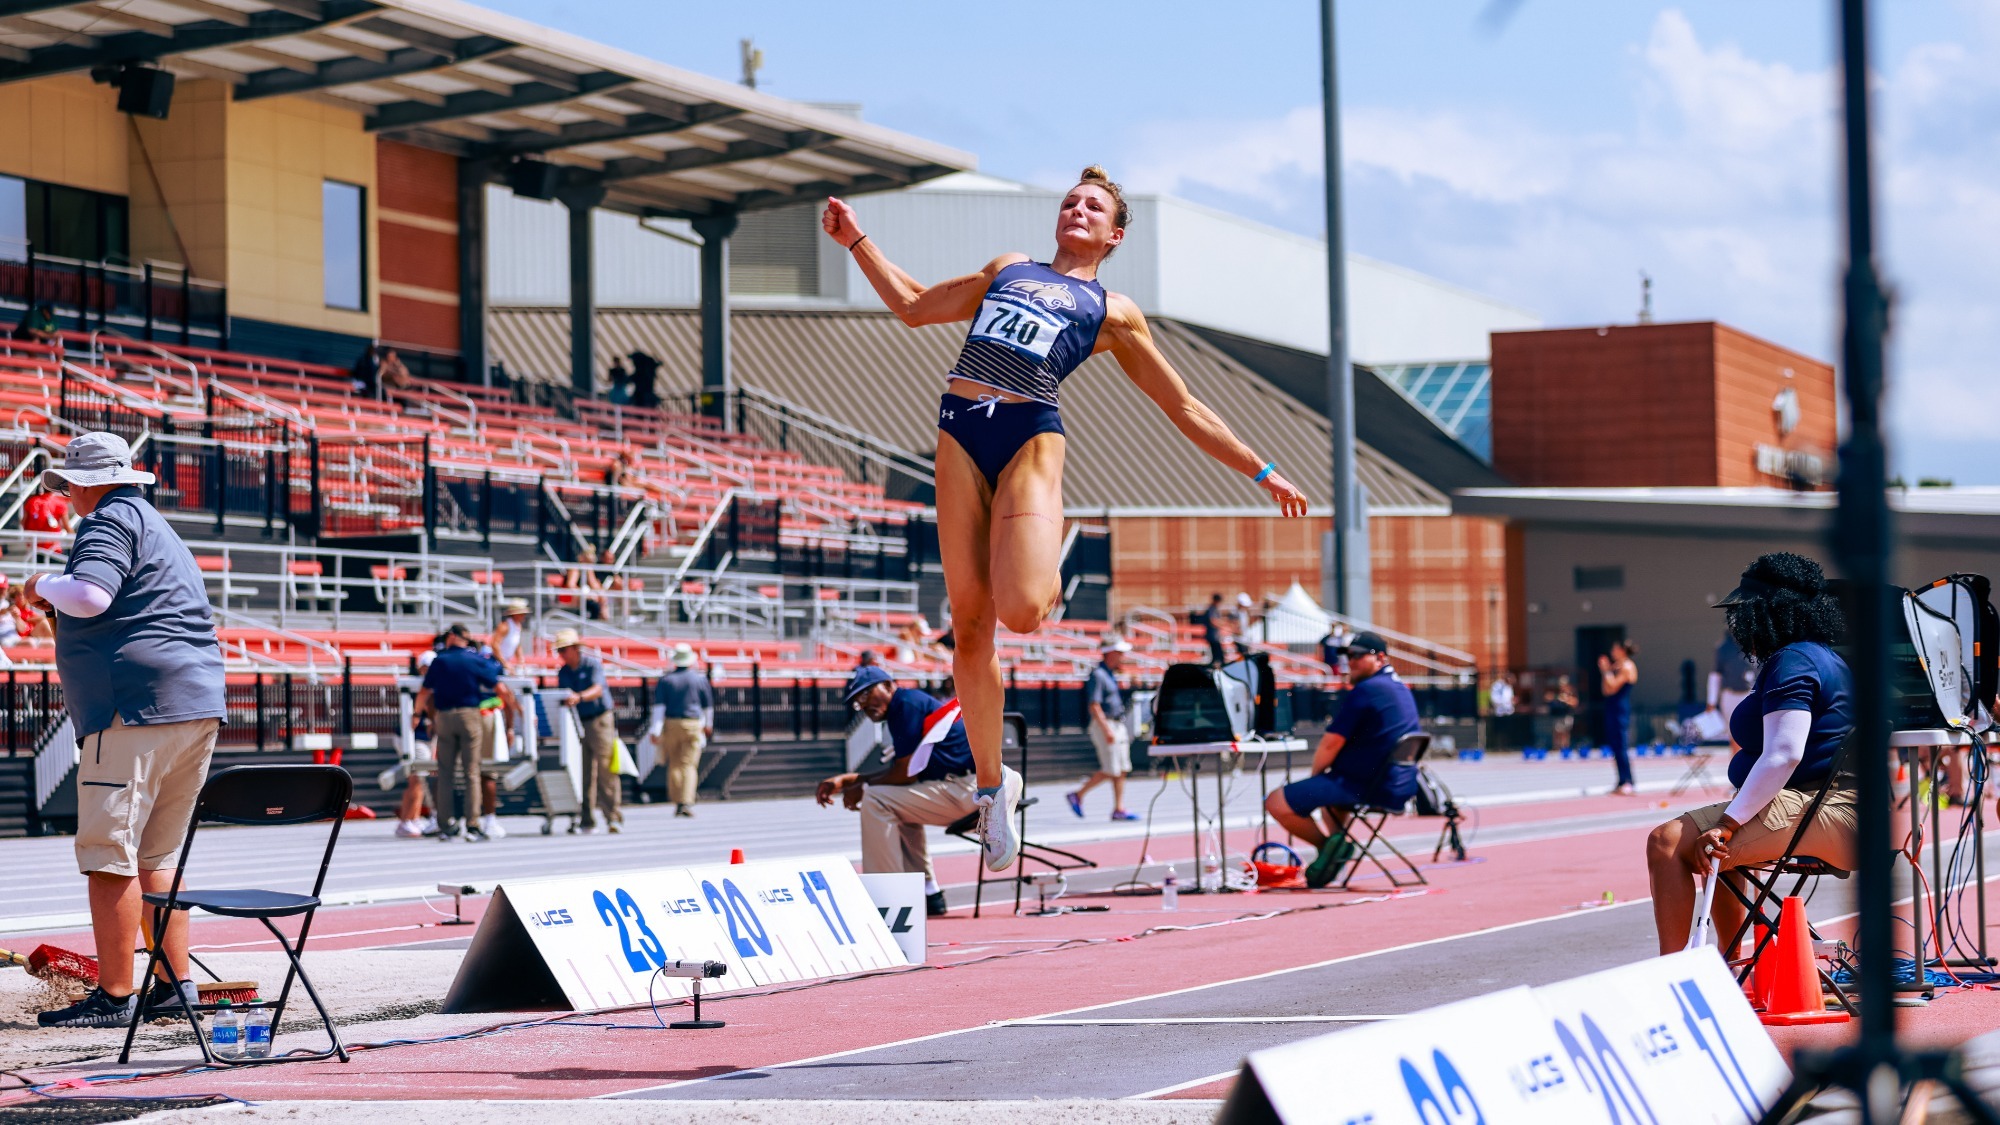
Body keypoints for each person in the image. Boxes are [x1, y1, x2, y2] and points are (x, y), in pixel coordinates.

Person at [823, 168, 1308, 872]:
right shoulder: (1008, 268)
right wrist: (856, 240)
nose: (1077, 209)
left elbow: (1183, 406)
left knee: (1020, 611)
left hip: (1029, 434)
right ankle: (992, 789)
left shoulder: (1113, 309)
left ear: (1113, 235)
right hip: (959, 432)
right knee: (968, 629)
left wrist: (1261, 470)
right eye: (1070, 201)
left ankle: (1045, 570)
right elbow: (913, 306)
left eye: (1094, 206)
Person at [25, 433, 226, 1028]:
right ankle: (173, 984)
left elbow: (89, 594)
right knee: (156, 854)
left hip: (132, 708)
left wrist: (38, 585)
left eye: (68, 488)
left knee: (109, 854)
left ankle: (115, 996)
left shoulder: (108, 519)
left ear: (83, 483)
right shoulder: (156, 524)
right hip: (193, 705)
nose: (67, 498)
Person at [1647, 552, 1855, 956]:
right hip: (1835, 806)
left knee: (1666, 842)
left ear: (1768, 613)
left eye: (1743, 613)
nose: (1737, 624)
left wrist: (1728, 822)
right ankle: (1729, 966)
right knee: (1721, 851)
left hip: (1830, 807)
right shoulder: (1823, 655)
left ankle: (1670, 977)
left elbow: (1784, 754)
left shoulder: (1792, 661)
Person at [1262, 631, 1420, 889]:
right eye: (1347, 655)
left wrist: (1316, 777)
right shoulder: (1399, 688)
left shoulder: (1367, 690)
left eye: (1358, 656)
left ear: (1380, 658)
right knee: (1330, 801)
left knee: (1276, 802)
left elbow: (1330, 743)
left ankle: (1332, 849)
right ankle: (1335, 847)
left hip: (1366, 786)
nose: (1351, 661)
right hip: (1399, 786)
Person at [816, 665, 975, 918]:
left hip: (968, 790)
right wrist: (851, 781)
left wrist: (862, 786)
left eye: (866, 694)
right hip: (967, 789)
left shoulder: (905, 705)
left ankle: (888, 900)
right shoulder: (907, 704)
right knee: (893, 801)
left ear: (889, 686)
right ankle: (928, 892)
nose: (863, 704)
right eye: (858, 700)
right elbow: (904, 774)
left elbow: (905, 774)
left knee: (877, 800)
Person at [415, 623, 503, 841]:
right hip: (469, 715)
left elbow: (425, 691)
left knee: (445, 772)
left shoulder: (440, 659)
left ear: (452, 637)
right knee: (472, 772)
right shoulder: (474, 659)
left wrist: (417, 714)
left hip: (444, 716)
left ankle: (445, 825)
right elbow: (496, 681)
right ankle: (472, 824)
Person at [555, 628, 621, 834]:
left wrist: (580, 697)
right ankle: (587, 818)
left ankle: (612, 816)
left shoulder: (592, 664)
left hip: (599, 719)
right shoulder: (563, 672)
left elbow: (598, 688)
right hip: (578, 721)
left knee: (605, 769)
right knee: (583, 771)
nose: (562, 655)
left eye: (564, 650)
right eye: (560, 651)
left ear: (575, 649)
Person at [1066, 638, 1139, 821]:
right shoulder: (1098, 674)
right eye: (1119, 652)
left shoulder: (1109, 673)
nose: (1123, 656)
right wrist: (1106, 729)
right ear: (1111, 652)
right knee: (1111, 769)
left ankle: (1119, 808)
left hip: (1117, 723)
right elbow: (1094, 705)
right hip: (1106, 723)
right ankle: (1078, 794)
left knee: (1122, 768)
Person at [648, 642, 713, 817]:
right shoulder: (700, 679)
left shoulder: (666, 680)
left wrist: (655, 730)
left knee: (675, 764)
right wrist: (708, 725)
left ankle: (677, 801)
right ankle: (686, 800)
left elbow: (659, 708)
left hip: (671, 724)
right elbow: (707, 707)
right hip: (692, 725)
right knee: (689, 765)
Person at [1599, 639, 1640, 795]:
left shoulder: (1627, 666)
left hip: (1621, 708)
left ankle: (1629, 781)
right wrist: (1606, 672)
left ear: (1622, 650)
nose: (1612, 651)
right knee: (1615, 745)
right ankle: (1621, 780)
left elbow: (1614, 686)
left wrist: (1606, 671)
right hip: (1612, 706)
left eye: (1615, 648)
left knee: (1621, 744)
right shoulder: (1616, 666)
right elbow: (1607, 690)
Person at [22, 484, 73, 563]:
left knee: (36, 573)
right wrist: (75, 539)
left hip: (35, 548)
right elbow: (67, 527)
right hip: (53, 548)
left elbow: (23, 523)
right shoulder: (59, 503)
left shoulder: (31, 501)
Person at [490, 598, 531, 669]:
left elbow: (517, 644)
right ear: (515, 614)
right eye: (522, 613)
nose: (524, 615)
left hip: (502, 662)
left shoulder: (518, 626)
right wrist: (505, 663)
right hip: (495, 662)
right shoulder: (504, 627)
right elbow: (495, 645)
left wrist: (521, 660)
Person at [1547, 675, 1579, 754]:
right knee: (1557, 731)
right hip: (1558, 715)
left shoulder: (1571, 692)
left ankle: (1565, 747)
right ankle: (1557, 747)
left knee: (1566, 732)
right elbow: (1548, 698)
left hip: (1567, 715)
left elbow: (1575, 702)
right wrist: (1556, 698)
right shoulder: (1556, 692)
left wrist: (1566, 700)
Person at [1487, 671, 1516, 751]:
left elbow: (1510, 698)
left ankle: (1506, 746)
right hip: (1499, 712)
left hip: (1508, 712)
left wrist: (1512, 702)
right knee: (1498, 731)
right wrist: (1504, 703)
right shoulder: (1497, 686)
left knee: (1507, 731)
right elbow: (1494, 698)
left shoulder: (1509, 687)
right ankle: (1497, 747)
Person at [1197, 593, 1227, 668]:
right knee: (1217, 654)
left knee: (1218, 654)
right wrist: (1221, 625)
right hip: (1212, 636)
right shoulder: (1212, 609)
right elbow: (1212, 621)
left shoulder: (1215, 609)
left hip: (1215, 635)